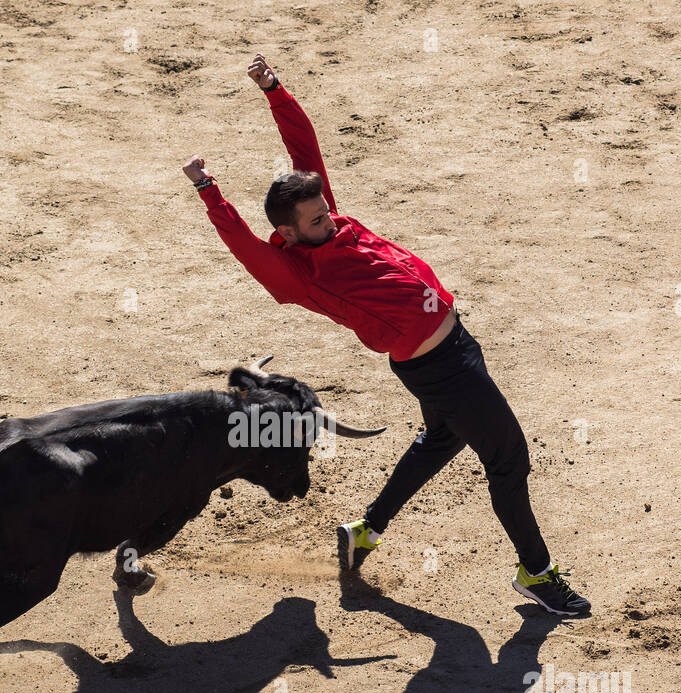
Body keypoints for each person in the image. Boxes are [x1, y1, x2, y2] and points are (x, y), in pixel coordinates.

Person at [180, 54, 589, 616]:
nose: (330, 219)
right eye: (317, 220)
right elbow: (244, 245)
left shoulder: (330, 221)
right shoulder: (299, 275)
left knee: (442, 441)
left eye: (326, 210)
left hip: (455, 344)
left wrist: (274, 90)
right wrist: (209, 190)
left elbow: (305, 149)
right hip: (441, 367)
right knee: (508, 459)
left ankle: (365, 529)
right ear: (289, 232)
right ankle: (536, 573)